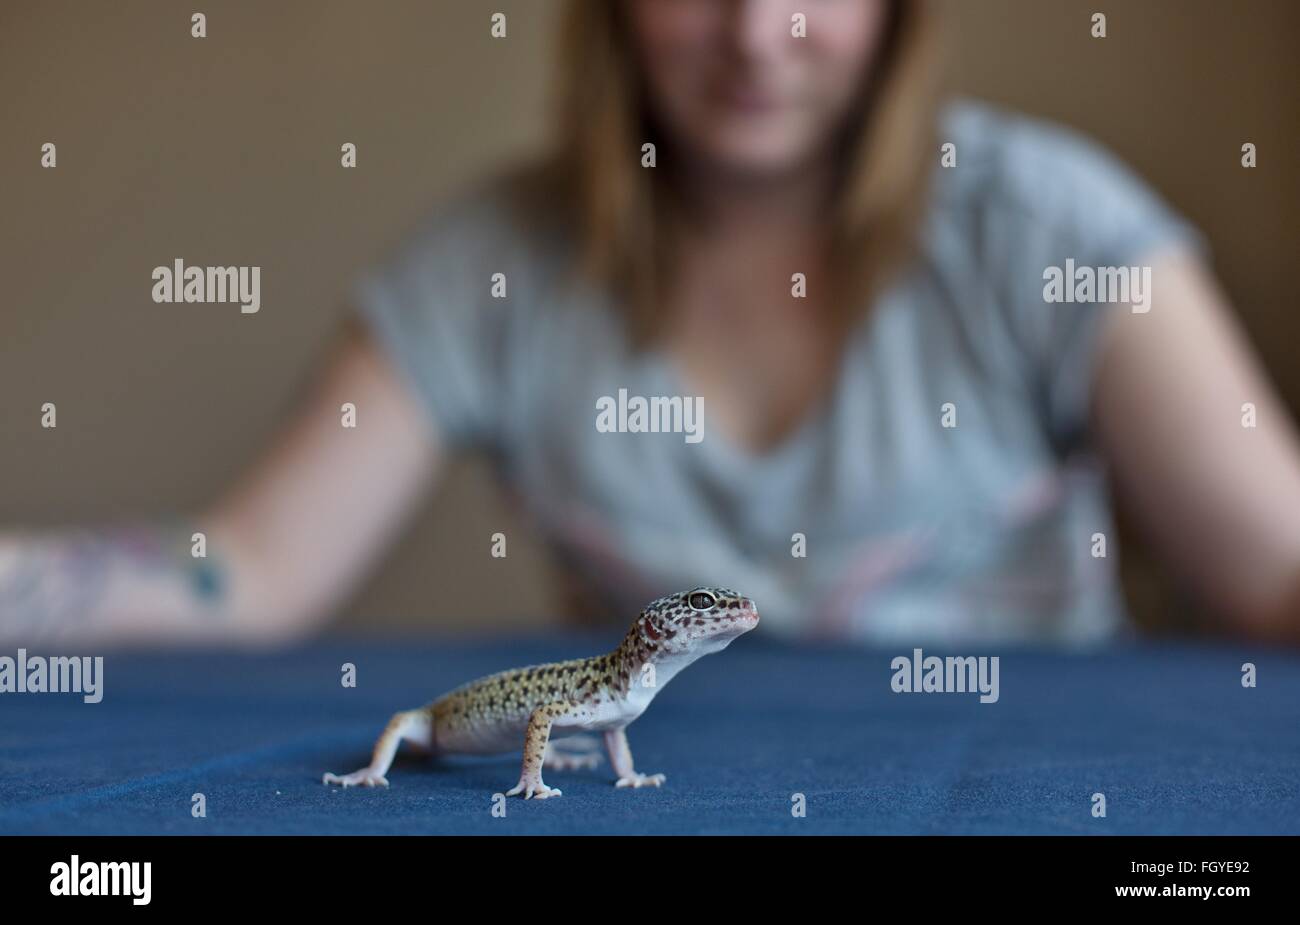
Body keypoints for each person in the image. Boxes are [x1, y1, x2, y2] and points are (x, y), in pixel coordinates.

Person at [3, 0, 1299, 648]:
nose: (755, 35)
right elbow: (248, 568)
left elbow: (1273, 567)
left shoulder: (1051, 222)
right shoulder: (490, 268)